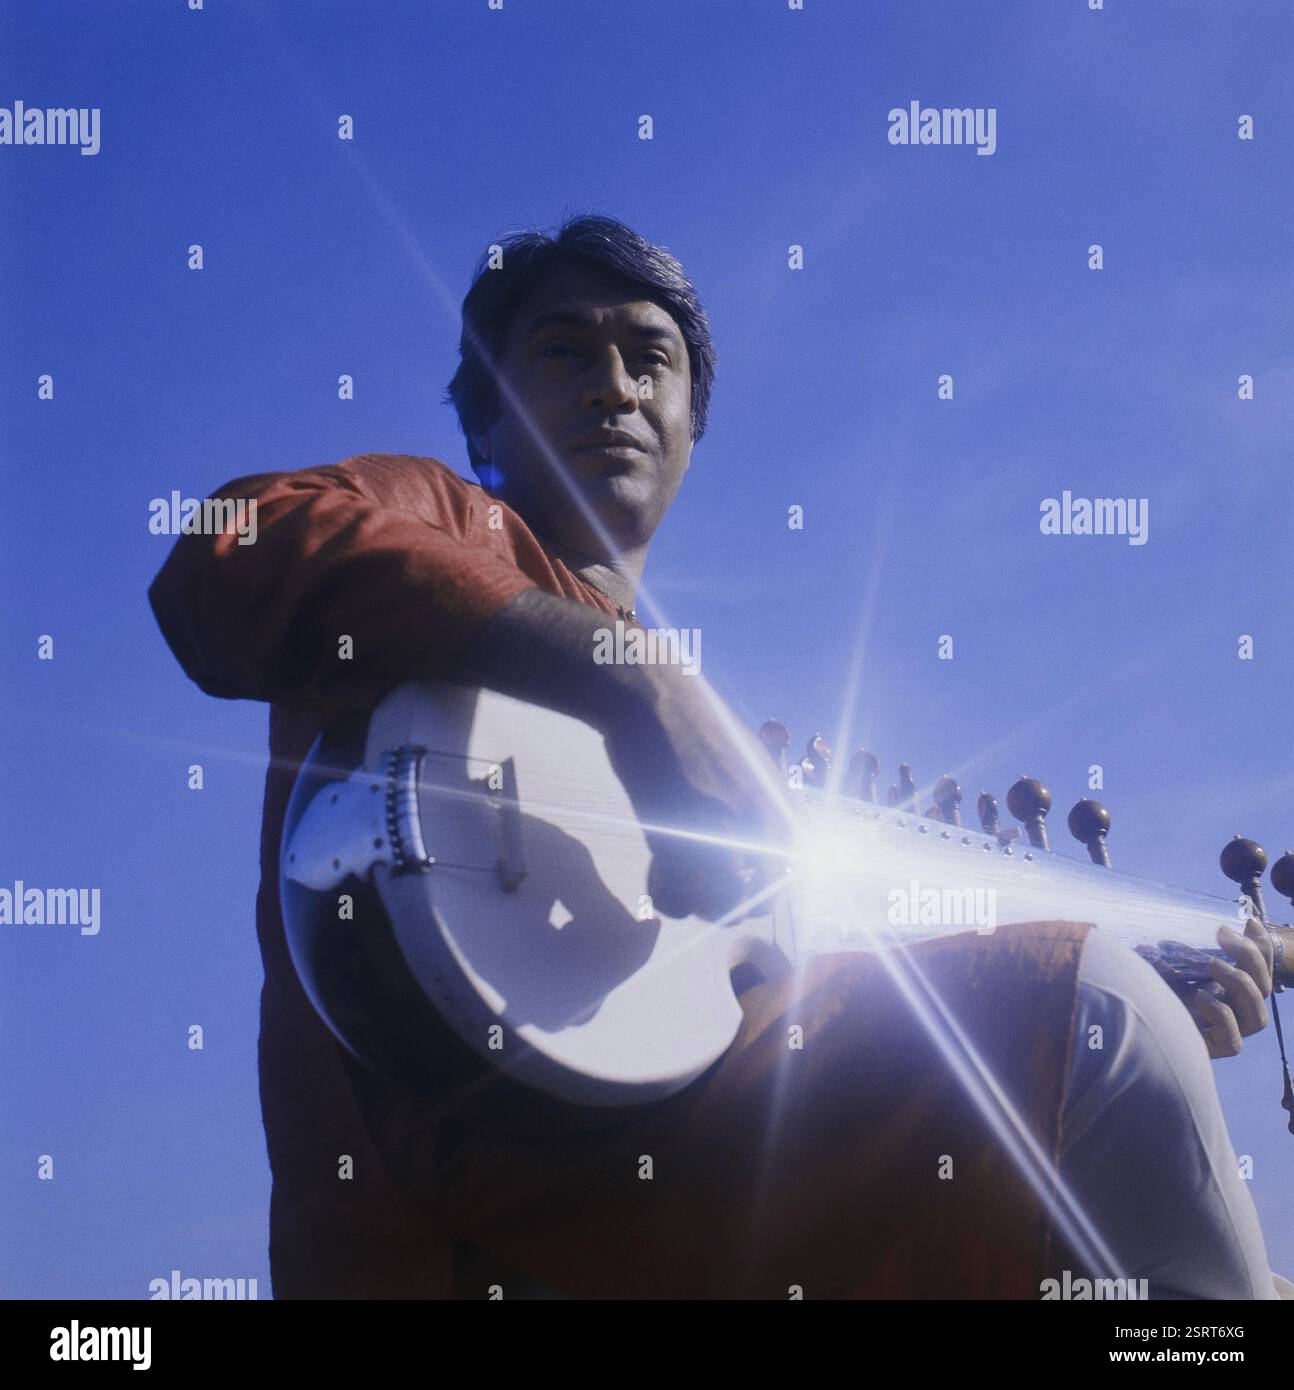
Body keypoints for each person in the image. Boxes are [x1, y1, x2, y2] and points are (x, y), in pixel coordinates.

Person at [149, 214, 1281, 1299]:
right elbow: (221, 545)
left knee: (1111, 1138)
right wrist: (618, 676)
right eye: (561, 352)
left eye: (652, 360)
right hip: (436, 1228)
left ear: (693, 426)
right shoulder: (443, 520)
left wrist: (1073, 1060)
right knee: (1101, 1011)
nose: (615, 386)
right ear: (485, 423)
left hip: (663, 1203)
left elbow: (767, 1015)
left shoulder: (711, 764)